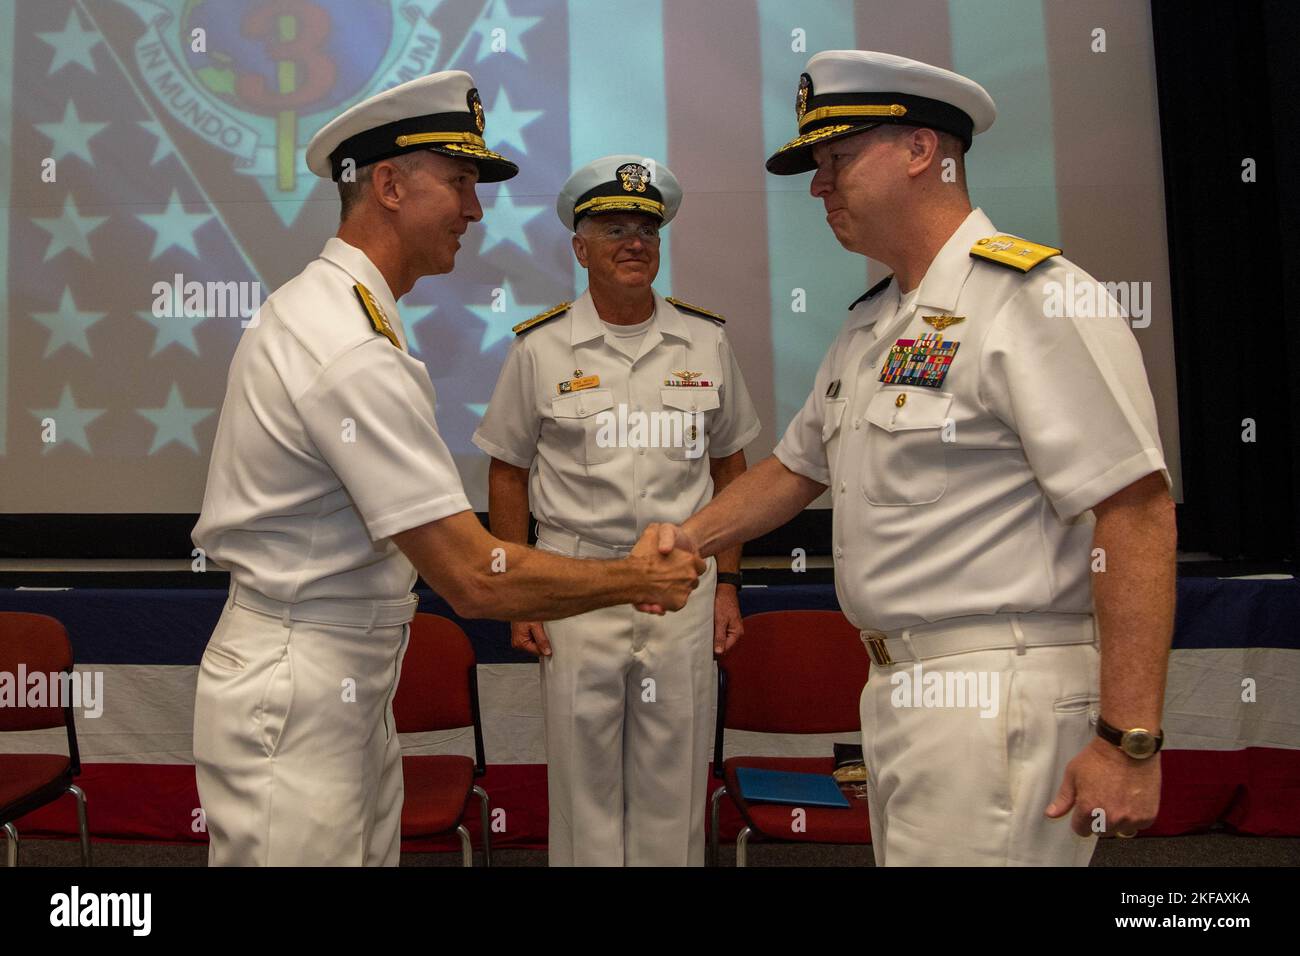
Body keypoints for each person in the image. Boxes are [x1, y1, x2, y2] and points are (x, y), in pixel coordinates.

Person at [656, 50, 1176, 866]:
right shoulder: (871, 323)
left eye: (835, 159)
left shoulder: (1033, 298)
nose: (819, 186)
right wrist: (687, 540)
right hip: (900, 693)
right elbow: (797, 469)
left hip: (999, 687)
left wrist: (1128, 739)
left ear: (923, 150)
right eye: (815, 167)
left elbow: (1136, 510)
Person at [190, 74, 703, 867]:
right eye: (460, 183)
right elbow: (473, 577)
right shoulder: (347, 342)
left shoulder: (351, 315)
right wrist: (637, 578)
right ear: (389, 185)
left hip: (335, 677)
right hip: (301, 683)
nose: (474, 209)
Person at [472, 155, 760, 865]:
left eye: (647, 230)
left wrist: (728, 582)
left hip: (680, 587)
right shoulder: (541, 348)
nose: (635, 242)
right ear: (580, 248)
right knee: (583, 781)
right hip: (576, 587)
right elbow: (507, 474)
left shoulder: (705, 341)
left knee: (675, 774)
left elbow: (732, 468)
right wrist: (518, 597)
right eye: (614, 228)